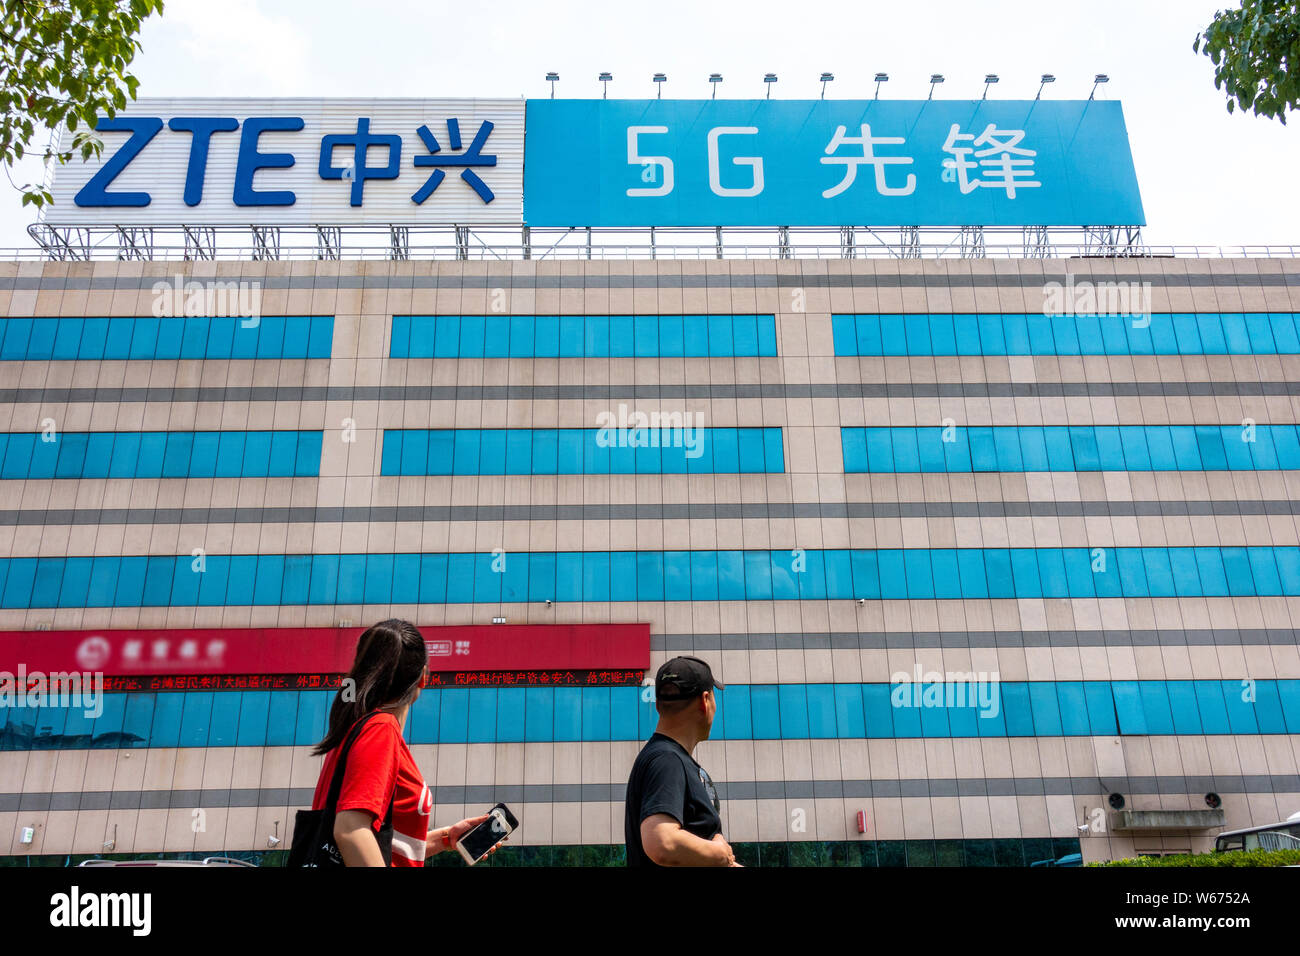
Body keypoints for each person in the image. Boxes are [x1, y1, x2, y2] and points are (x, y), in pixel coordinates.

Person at [309, 619, 501, 866]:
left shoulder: (355, 728)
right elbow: (351, 831)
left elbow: (381, 845)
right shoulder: (380, 729)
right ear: (423, 677)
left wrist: (446, 838)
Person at [624, 655, 740, 867]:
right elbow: (662, 842)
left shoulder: (666, 758)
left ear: (658, 705)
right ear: (705, 701)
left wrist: (724, 858)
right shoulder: (667, 761)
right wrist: (719, 853)